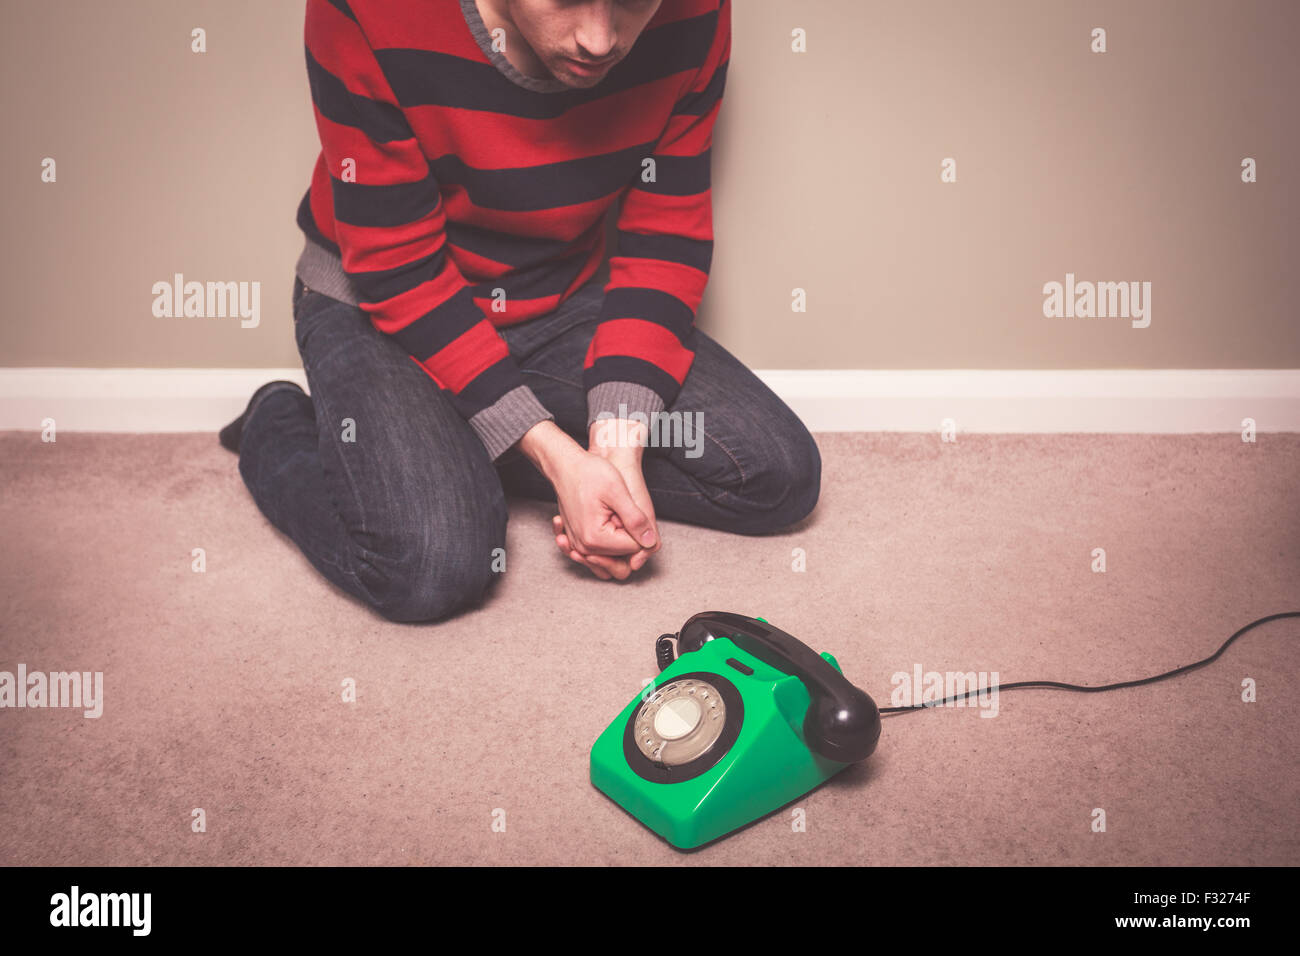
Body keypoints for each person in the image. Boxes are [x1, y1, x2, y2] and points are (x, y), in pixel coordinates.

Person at [220, 0, 820, 622]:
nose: (599, 41)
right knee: (433, 567)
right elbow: (397, 265)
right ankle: (279, 422)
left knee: (777, 474)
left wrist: (617, 448)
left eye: (634, 3)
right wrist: (558, 459)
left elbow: (665, 231)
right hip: (383, 306)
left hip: (555, 297)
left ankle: (466, 447)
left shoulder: (696, 9)